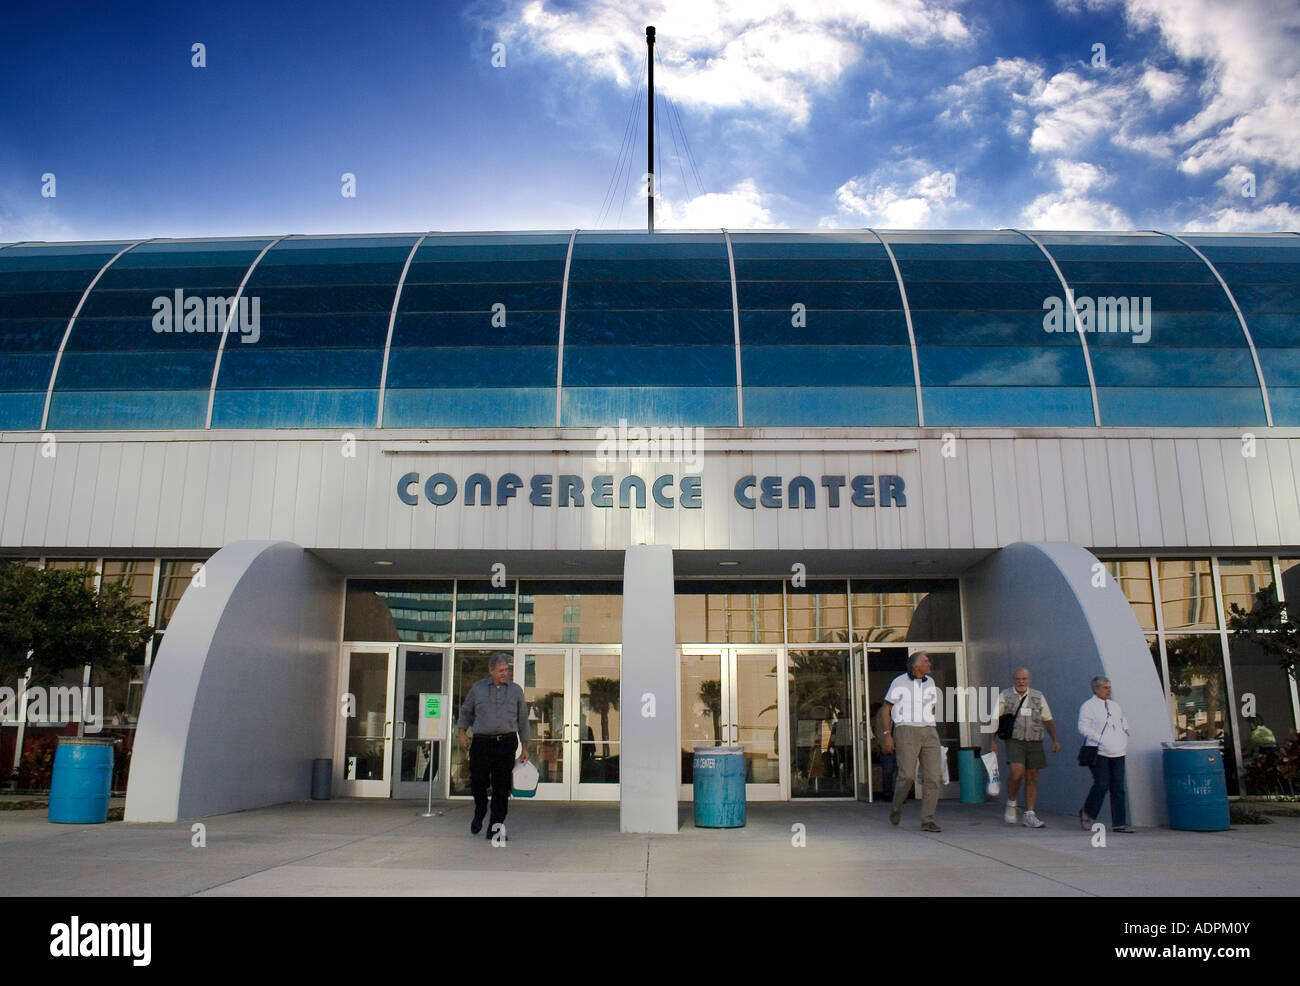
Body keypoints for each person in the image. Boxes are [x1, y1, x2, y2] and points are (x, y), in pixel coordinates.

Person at [456, 652, 529, 842]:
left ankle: (495, 828)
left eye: (506, 670)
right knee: (478, 782)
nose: (505, 673)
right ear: (491, 671)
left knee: (501, 788)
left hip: (506, 743)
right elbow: (465, 711)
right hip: (481, 743)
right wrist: (462, 732)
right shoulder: (478, 689)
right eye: (500, 670)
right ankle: (480, 811)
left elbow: (523, 720)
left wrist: (525, 748)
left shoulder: (516, 691)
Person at [989, 668, 1061, 828]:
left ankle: (1030, 813)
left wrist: (1055, 739)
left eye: (1024, 679)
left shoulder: (1038, 696)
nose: (1021, 682)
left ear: (1029, 679)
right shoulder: (1005, 696)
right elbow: (995, 719)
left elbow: (1047, 719)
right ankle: (1012, 802)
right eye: (1018, 679)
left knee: (1033, 775)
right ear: (1013, 680)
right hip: (1015, 740)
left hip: (1035, 740)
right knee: (1017, 771)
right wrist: (992, 741)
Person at [881, 651, 942, 832]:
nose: (929, 663)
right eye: (925, 661)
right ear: (915, 665)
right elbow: (886, 709)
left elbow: (931, 707)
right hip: (906, 730)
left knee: (933, 777)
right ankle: (896, 807)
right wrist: (887, 734)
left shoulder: (930, 682)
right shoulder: (899, 682)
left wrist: (932, 725)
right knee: (906, 775)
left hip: (929, 731)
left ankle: (928, 819)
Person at [1078, 675, 1132, 833]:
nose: (1108, 691)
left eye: (1109, 687)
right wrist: (1099, 738)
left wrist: (1125, 732)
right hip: (1099, 750)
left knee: (1118, 786)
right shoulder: (1088, 706)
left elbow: (1122, 720)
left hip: (1117, 750)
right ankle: (1087, 811)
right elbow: (1083, 727)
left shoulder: (1115, 706)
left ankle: (1119, 823)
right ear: (1096, 689)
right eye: (1105, 688)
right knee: (1102, 783)